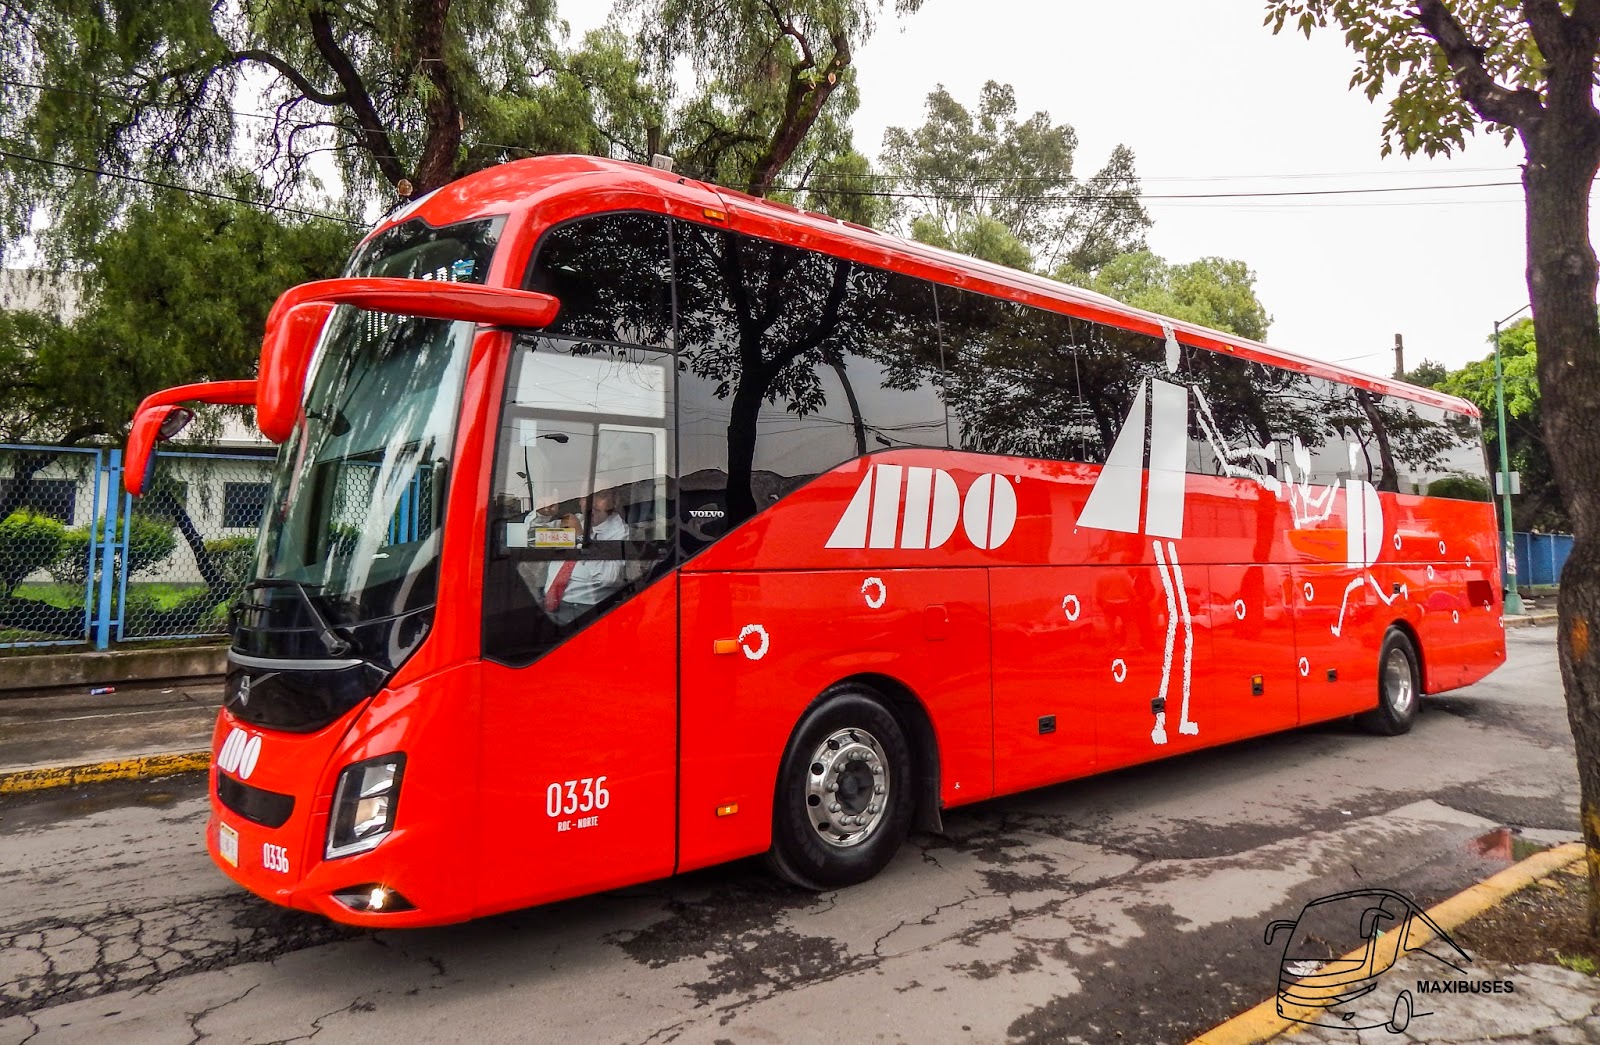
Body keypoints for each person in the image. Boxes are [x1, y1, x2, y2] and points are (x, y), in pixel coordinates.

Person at [536, 488, 629, 625]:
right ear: (580, 501)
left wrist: (581, 539)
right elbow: (527, 539)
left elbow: (609, 577)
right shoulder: (577, 520)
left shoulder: (619, 531)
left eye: (600, 495)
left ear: (614, 501)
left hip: (585, 612)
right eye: (586, 496)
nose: (591, 503)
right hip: (547, 602)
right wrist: (541, 516)